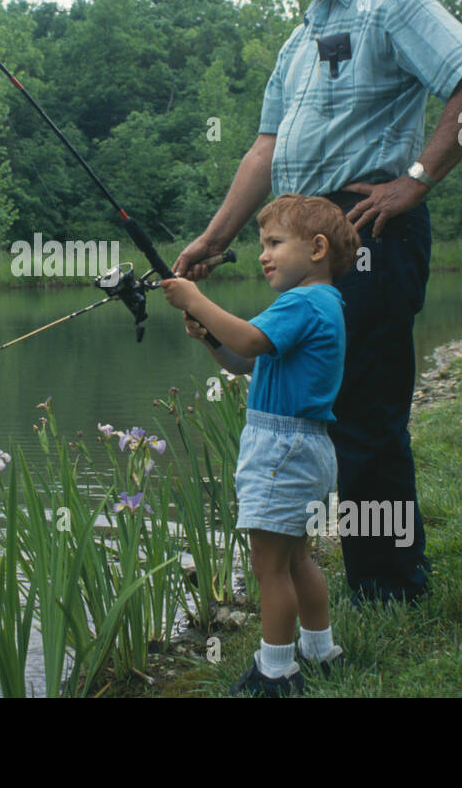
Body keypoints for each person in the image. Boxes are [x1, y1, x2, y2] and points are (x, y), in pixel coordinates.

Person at [173, 0, 462, 606]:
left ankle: (389, 588)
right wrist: (214, 236)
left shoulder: (393, 0)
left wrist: (415, 178)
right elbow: (264, 148)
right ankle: (358, 583)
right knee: (319, 406)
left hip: (370, 229)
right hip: (304, 241)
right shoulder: (297, 41)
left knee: (367, 411)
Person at [163, 193, 359, 696]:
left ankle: (276, 674)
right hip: (309, 447)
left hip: (281, 449)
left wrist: (194, 299)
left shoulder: (300, 301)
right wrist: (208, 336)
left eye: (274, 243)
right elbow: (244, 361)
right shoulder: (325, 304)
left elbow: (249, 340)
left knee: (268, 567)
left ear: (317, 248)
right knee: (298, 559)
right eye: (262, 244)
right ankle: (321, 652)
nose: (263, 254)